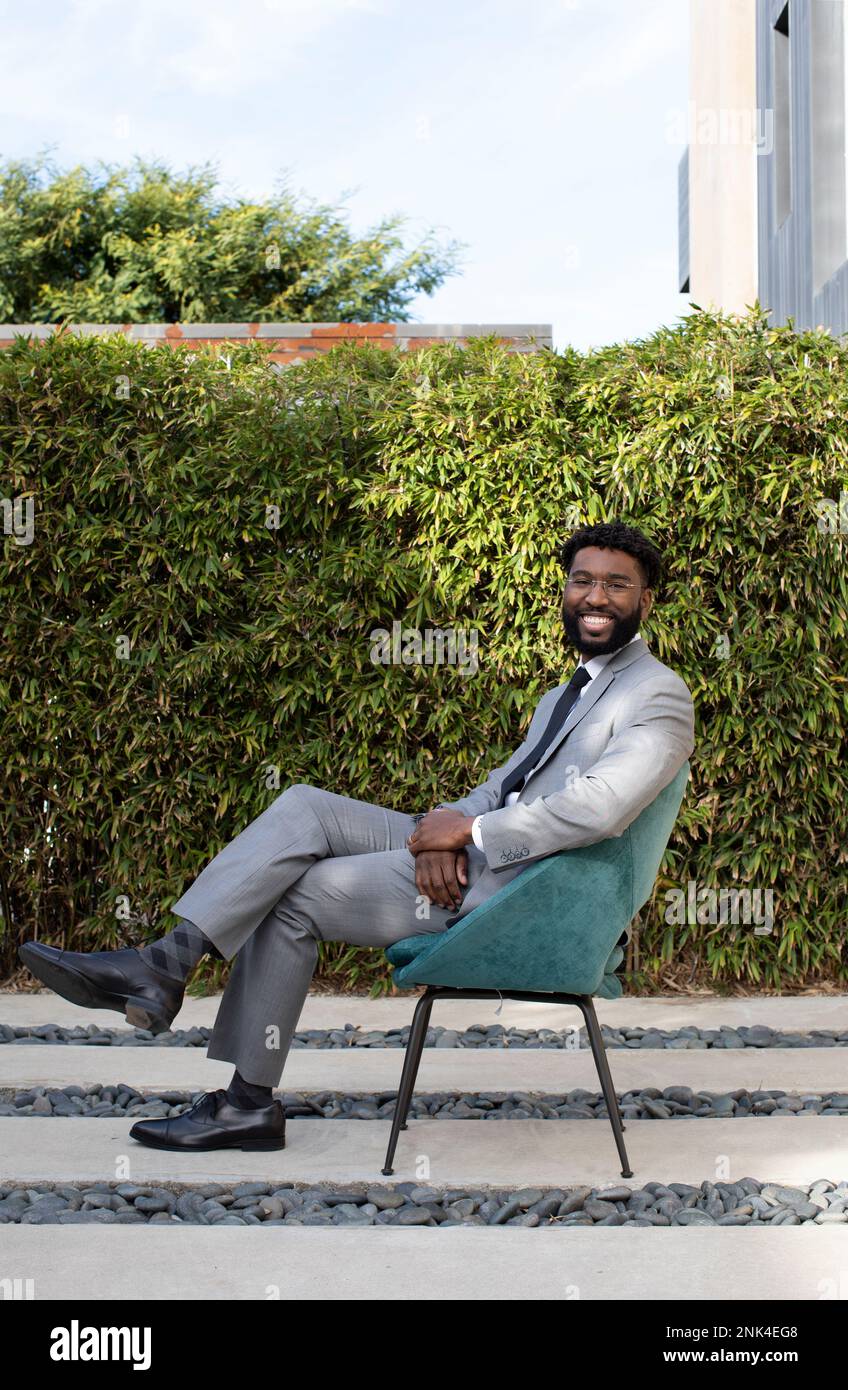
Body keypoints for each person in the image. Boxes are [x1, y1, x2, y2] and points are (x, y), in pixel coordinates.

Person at [19, 520, 695, 1152]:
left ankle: (246, 1102)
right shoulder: (567, 693)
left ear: (647, 601)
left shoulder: (658, 694)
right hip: (483, 857)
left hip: (519, 891)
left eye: (616, 584)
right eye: (583, 580)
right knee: (305, 806)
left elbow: (602, 808)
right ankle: (165, 962)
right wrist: (445, 829)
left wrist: (471, 835)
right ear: (566, 591)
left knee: (291, 894)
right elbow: (499, 786)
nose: (595, 596)